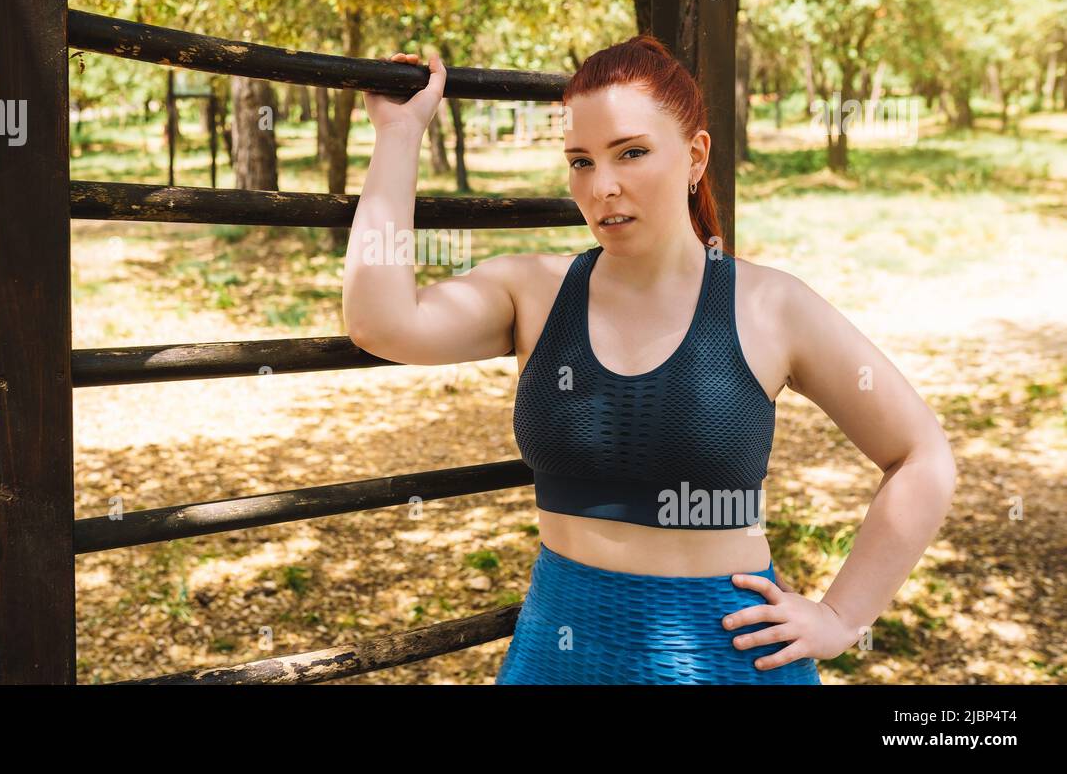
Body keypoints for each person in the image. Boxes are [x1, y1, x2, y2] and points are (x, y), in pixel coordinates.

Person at [343, 35, 956, 684]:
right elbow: (380, 323)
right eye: (580, 161)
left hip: (726, 656)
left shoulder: (770, 305)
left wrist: (840, 618)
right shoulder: (532, 292)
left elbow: (922, 456)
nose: (602, 185)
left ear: (695, 157)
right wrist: (401, 132)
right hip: (559, 652)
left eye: (631, 152)